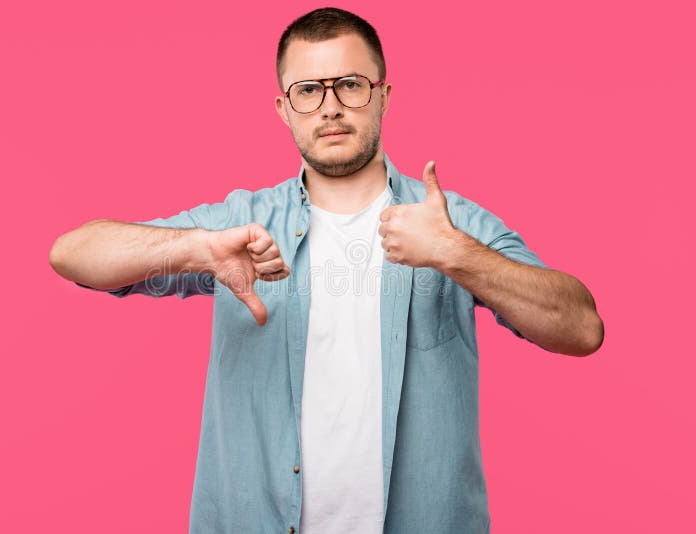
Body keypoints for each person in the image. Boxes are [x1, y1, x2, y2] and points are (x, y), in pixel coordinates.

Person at [49, 7, 603, 534]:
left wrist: (454, 253)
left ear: (383, 96)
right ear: (283, 109)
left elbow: (581, 329)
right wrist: (199, 249)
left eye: (351, 85)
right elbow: (74, 254)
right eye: (308, 91)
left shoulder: (448, 223)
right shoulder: (238, 224)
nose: (330, 107)